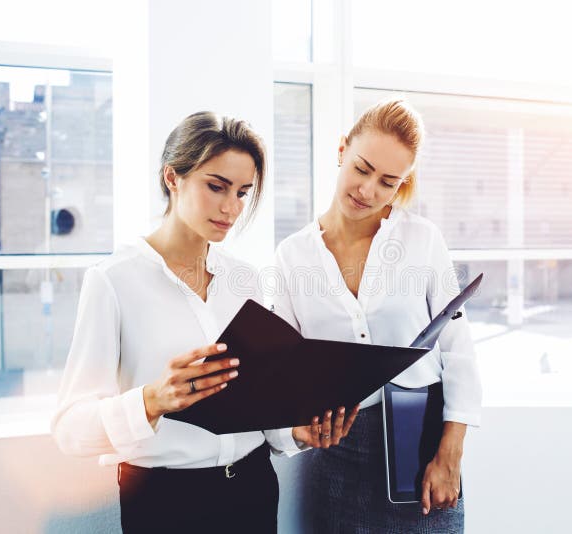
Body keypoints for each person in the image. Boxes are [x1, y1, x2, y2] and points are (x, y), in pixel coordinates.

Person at [51, 112, 356, 534]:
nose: (231, 208)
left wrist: (299, 431)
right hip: (164, 501)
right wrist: (153, 400)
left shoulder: (244, 279)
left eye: (243, 193)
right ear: (172, 178)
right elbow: (70, 429)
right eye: (216, 187)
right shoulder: (112, 281)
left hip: (252, 489)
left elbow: (256, 405)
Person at [273, 99, 482, 532]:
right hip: (336, 457)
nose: (367, 190)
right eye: (361, 168)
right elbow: (286, 371)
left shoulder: (422, 240)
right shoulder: (293, 255)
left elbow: (458, 350)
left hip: (422, 452)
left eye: (388, 182)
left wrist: (450, 454)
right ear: (341, 150)